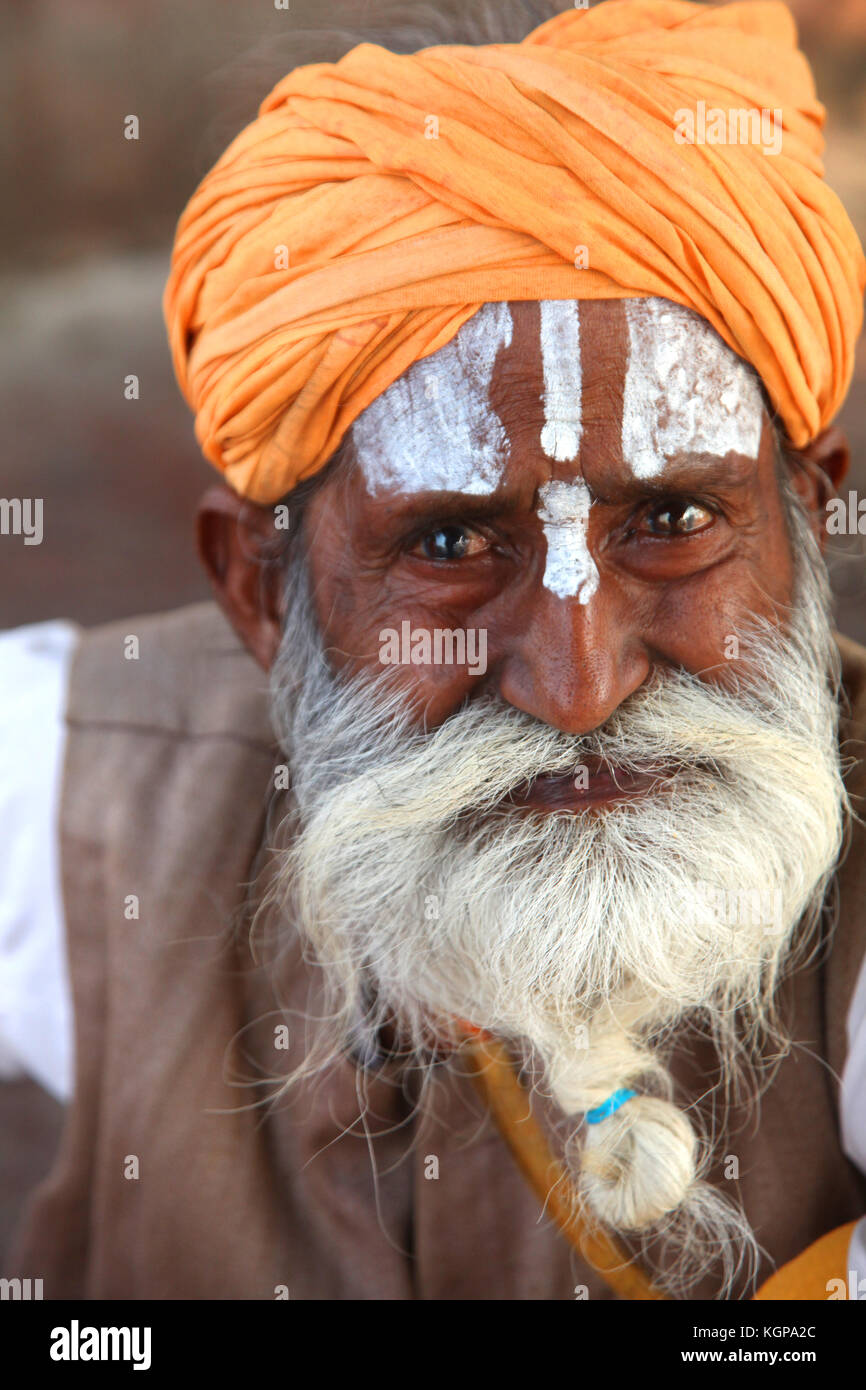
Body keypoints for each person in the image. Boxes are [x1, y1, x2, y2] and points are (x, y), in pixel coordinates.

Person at [4, 0, 866, 1300]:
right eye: (455, 545)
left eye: (673, 522)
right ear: (258, 585)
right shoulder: (79, 787)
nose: (577, 687)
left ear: (803, 519)